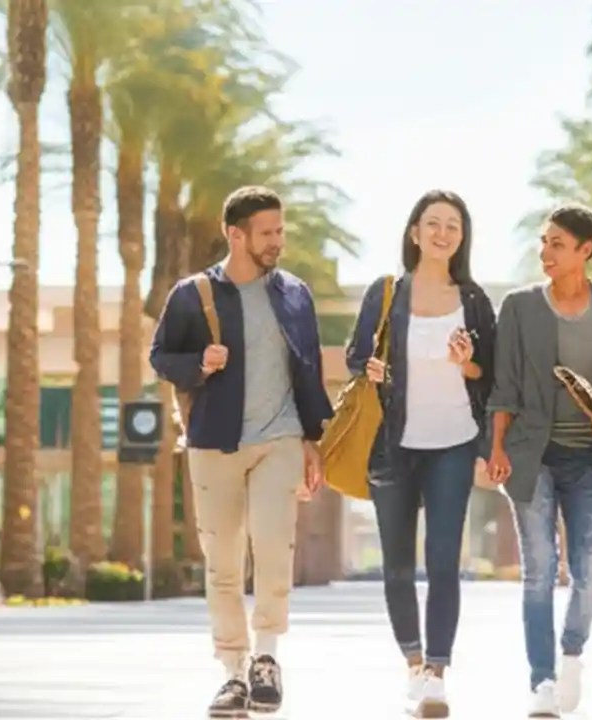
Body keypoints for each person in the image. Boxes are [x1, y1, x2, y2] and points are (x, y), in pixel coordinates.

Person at [149, 186, 332, 718]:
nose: (278, 241)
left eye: (280, 230)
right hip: (213, 444)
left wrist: (314, 442)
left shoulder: (295, 293)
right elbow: (161, 355)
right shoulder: (193, 294)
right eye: (267, 233)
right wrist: (199, 364)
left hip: (279, 439)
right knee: (223, 562)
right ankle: (233, 672)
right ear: (236, 234)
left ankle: (267, 660)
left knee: (274, 547)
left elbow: (310, 372)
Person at [344, 190, 497, 718]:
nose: (441, 232)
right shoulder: (388, 292)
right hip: (393, 446)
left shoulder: (474, 299)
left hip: (454, 443)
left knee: (443, 564)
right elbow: (356, 355)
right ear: (414, 233)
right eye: (432, 223)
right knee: (397, 567)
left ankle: (436, 672)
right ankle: (411, 663)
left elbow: (490, 376)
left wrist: (468, 363)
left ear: (462, 236)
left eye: (452, 225)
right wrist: (372, 368)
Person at [485, 204, 592, 718]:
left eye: (557, 243)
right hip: (532, 456)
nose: (545, 252)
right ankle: (542, 681)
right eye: (543, 241)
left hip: (590, 460)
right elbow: (502, 384)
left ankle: (572, 653)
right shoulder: (521, 307)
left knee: (591, 574)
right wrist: (497, 447)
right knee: (539, 571)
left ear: (585, 250)